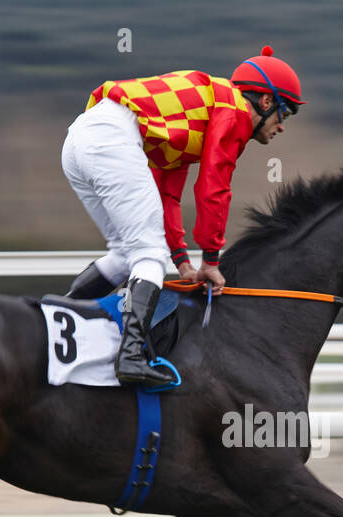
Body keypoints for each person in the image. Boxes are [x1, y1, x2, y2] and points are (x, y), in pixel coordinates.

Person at [61, 46, 304, 386]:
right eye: (286, 114)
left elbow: (167, 192)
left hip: (79, 140)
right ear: (266, 103)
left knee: (125, 253)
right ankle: (130, 356)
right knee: (148, 255)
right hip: (109, 140)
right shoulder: (234, 111)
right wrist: (211, 260)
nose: (282, 127)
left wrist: (182, 261)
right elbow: (213, 188)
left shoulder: (202, 114)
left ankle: (60, 315)